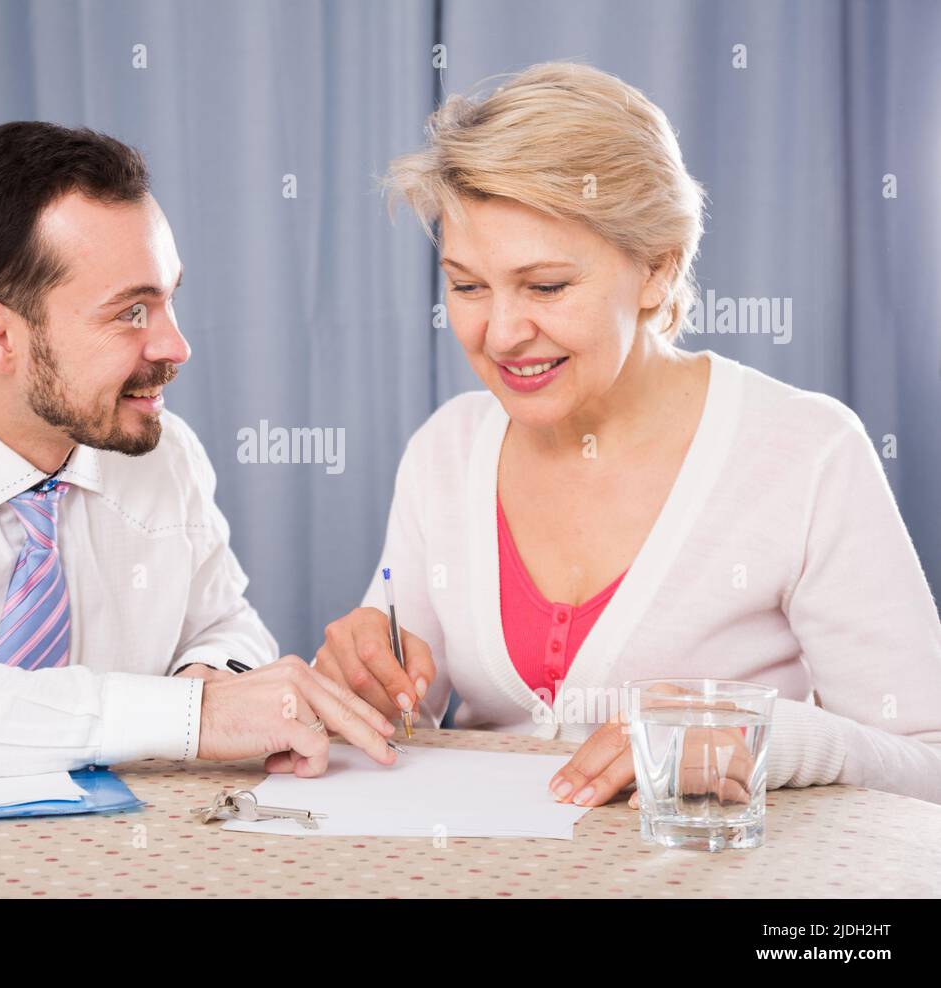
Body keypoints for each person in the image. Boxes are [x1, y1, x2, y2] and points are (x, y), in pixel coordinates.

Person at [312, 62, 941, 806]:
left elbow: (926, 764)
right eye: (468, 285)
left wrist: (756, 738)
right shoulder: (446, 449)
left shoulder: (807, 453)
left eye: (546, 286)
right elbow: (400, 712)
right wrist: (363, 684)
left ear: (657, 270)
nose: (503, 333)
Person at [0, 122, 396, 778]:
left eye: (169, 299)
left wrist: (209, 682)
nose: (176, 346)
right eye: (130, 312)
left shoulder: (165, 455)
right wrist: (184, 717)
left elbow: (224, 627)